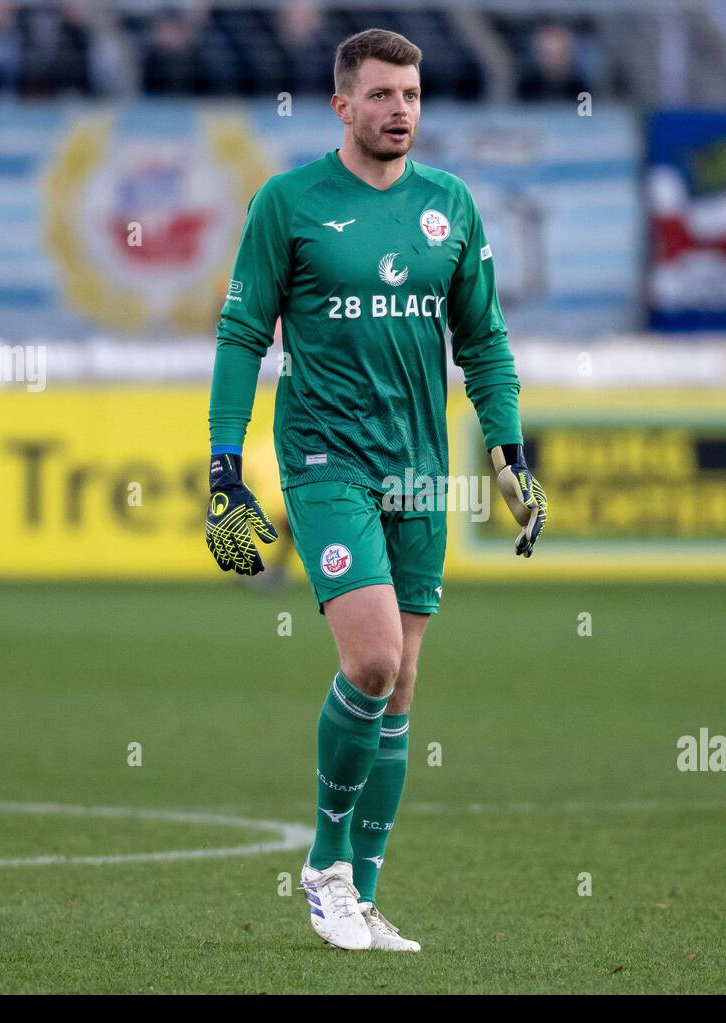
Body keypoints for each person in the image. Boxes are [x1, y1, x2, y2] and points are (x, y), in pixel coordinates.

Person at [205, 28, 546, 951]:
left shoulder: (451, 207)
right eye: (384, 94)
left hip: (418, 470)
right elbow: (242, 338)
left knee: (400, 693)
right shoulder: (289, 203)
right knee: (372, 662)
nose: (401, 109)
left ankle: (362, 890)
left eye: (413, 94)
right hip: (325, 461)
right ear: (342, 106)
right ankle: (323, 865)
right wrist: (225, 469)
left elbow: (485, 343)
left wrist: (511, 455)